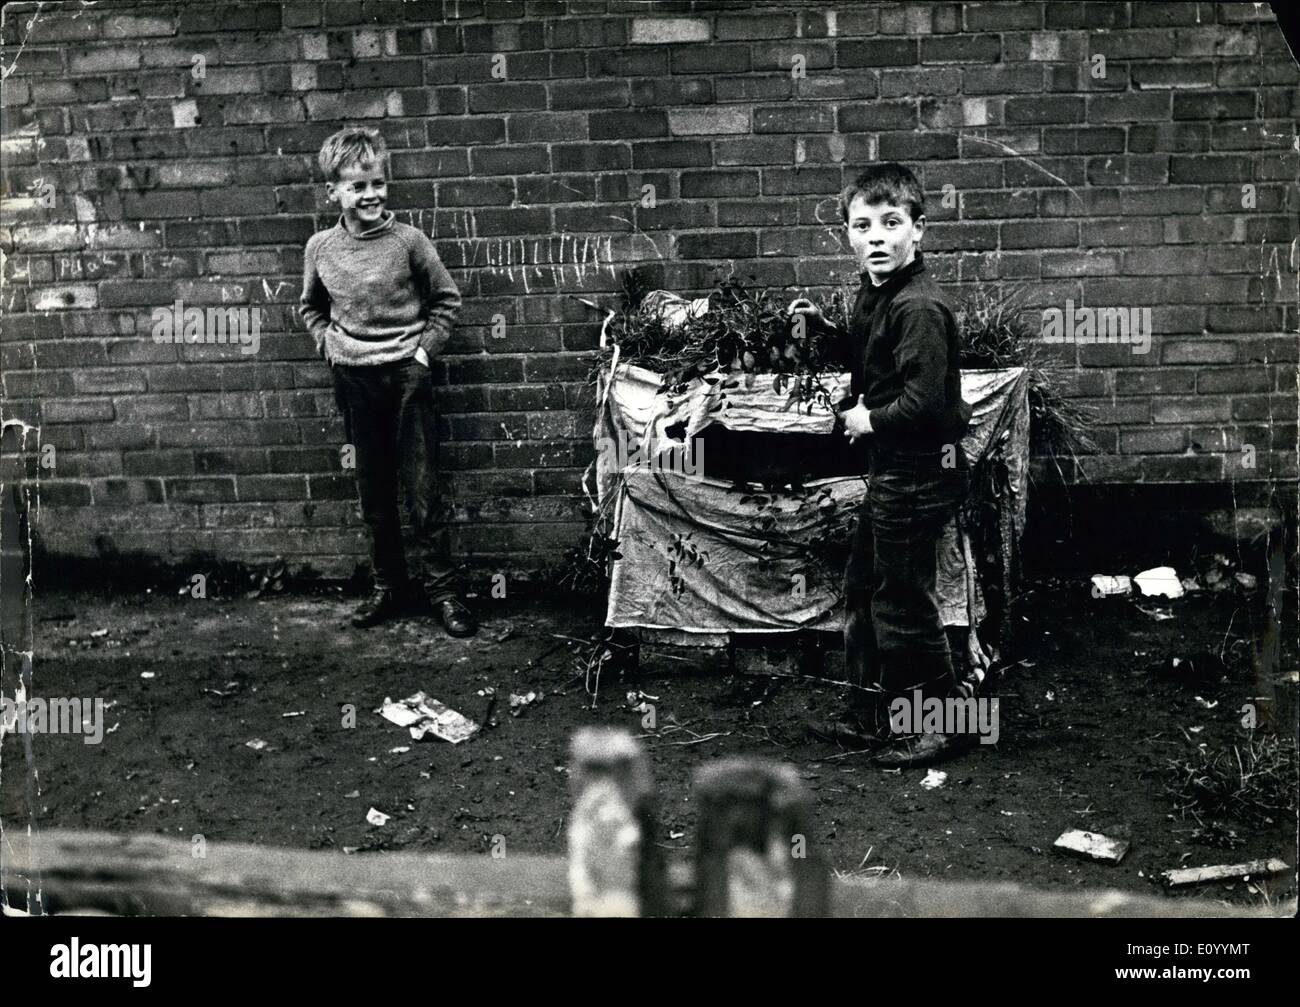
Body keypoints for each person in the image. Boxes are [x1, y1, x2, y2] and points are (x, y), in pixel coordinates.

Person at [791, 163, 973, 765]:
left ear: (918, 230)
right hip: (896, 469)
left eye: (891, 223)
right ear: (846, 232)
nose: (876, 237)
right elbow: (874, 357)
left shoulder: (918, 307)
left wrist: (869, 419)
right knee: (866, 588)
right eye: (862, 224)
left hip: (921, 470)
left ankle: (940, 723)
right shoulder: (878, 292)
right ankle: (873, 715)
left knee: (902, 599)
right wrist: (821, 331)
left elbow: (925, 403)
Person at [299, 126, 476, 636]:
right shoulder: (320, 248)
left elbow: (447, 300)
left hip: (407, 377)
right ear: (333, 191)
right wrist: (328, 346)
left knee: (422, 492)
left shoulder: (409, 241)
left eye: (377, 182)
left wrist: (422, 357)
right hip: (354, 381)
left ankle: (444, 592)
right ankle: (389, 587)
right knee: (373, 493)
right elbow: (311, 307)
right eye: (356, 186)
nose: (370, 194)